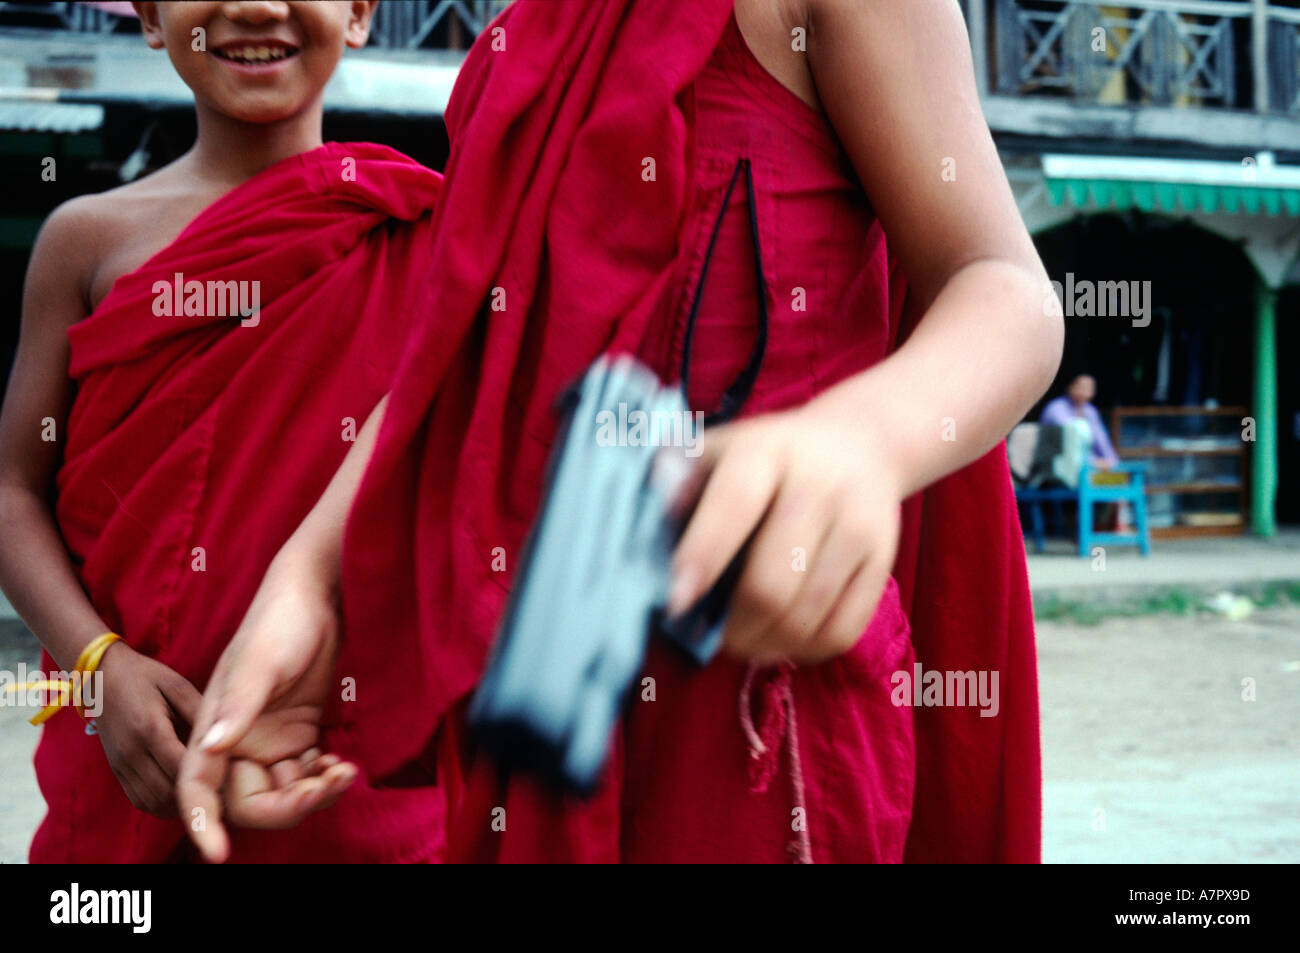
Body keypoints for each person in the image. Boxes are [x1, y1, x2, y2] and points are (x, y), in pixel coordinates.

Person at [180, 0, 1061, 863]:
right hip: (540, 670)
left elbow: (1006, 289)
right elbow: (455, 355)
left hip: (753, 684)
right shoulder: (521, 36)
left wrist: (863, 439)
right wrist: (304, 578)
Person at [0, 0, 445, 862]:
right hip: (132, 751)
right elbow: (14, 488)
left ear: (358, 14)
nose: (255, 6)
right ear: (147, 16)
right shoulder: (87, 241)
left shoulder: (426, 232)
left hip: (348, 768)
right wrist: (98, 666)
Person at [1040, 374, 1120, 468]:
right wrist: (1093, 462)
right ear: (1070, 387)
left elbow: (1101, 439)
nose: (1084, 391)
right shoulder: (1056, 408)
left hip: (1088, 466)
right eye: (1081, 386)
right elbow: (1071, 440)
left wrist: (1112, 461)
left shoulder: (1090, 411)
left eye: (1089, 387)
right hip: (1055, 463)